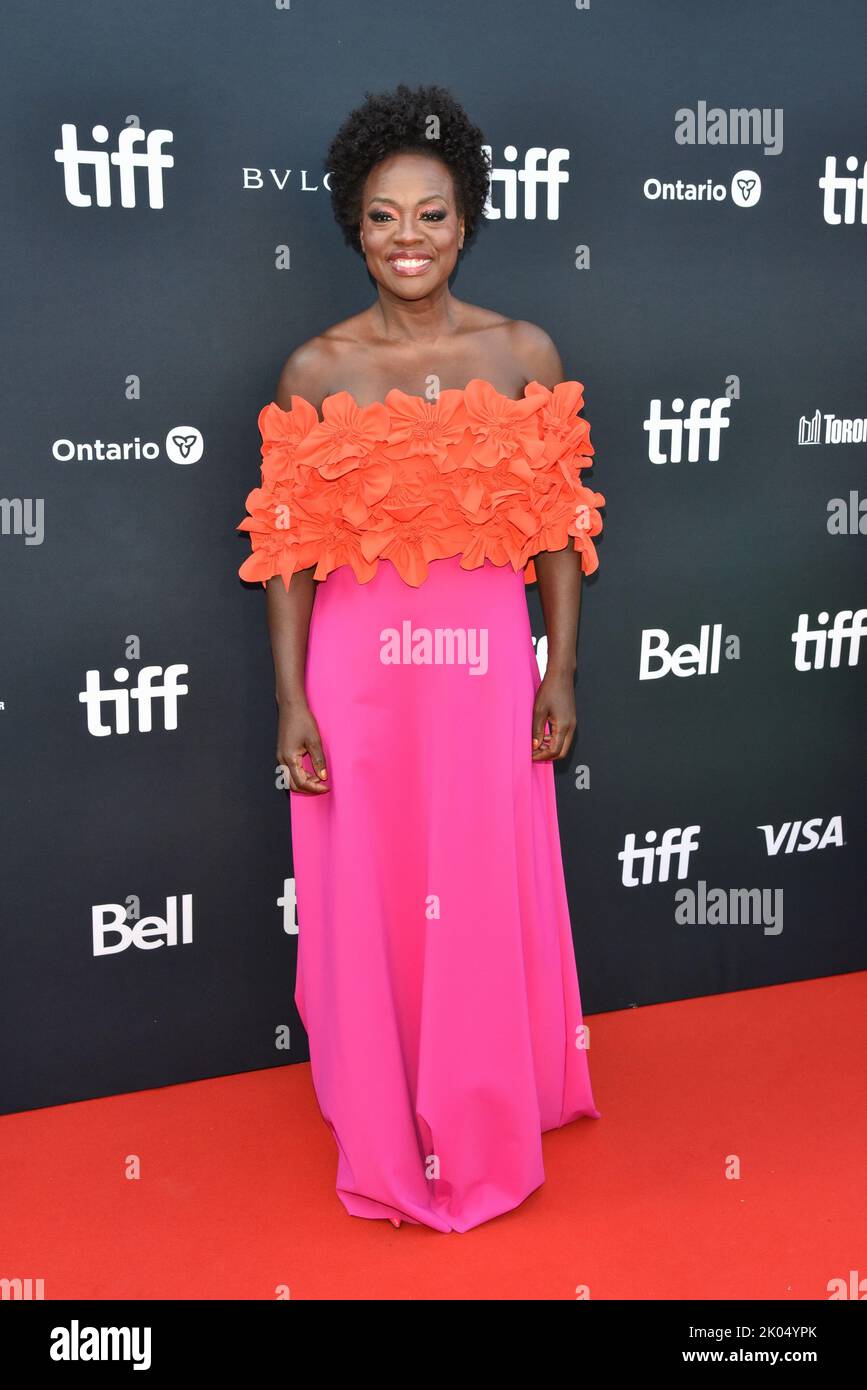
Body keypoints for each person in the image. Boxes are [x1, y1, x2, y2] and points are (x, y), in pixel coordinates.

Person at [237, 83, 605, 1233]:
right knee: (379, 883)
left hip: (487, 661)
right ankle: (388, 1104)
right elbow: (289, 554)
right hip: (362, 672)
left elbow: (555, 527)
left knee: (480, 878)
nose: (409, 239)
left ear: (468, 219)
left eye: (432, 215)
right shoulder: (315, 370)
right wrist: (292, 697)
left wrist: (560, 668)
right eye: (385, 215)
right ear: (355, 221)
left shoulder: (523, 351)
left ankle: (485, 1098)